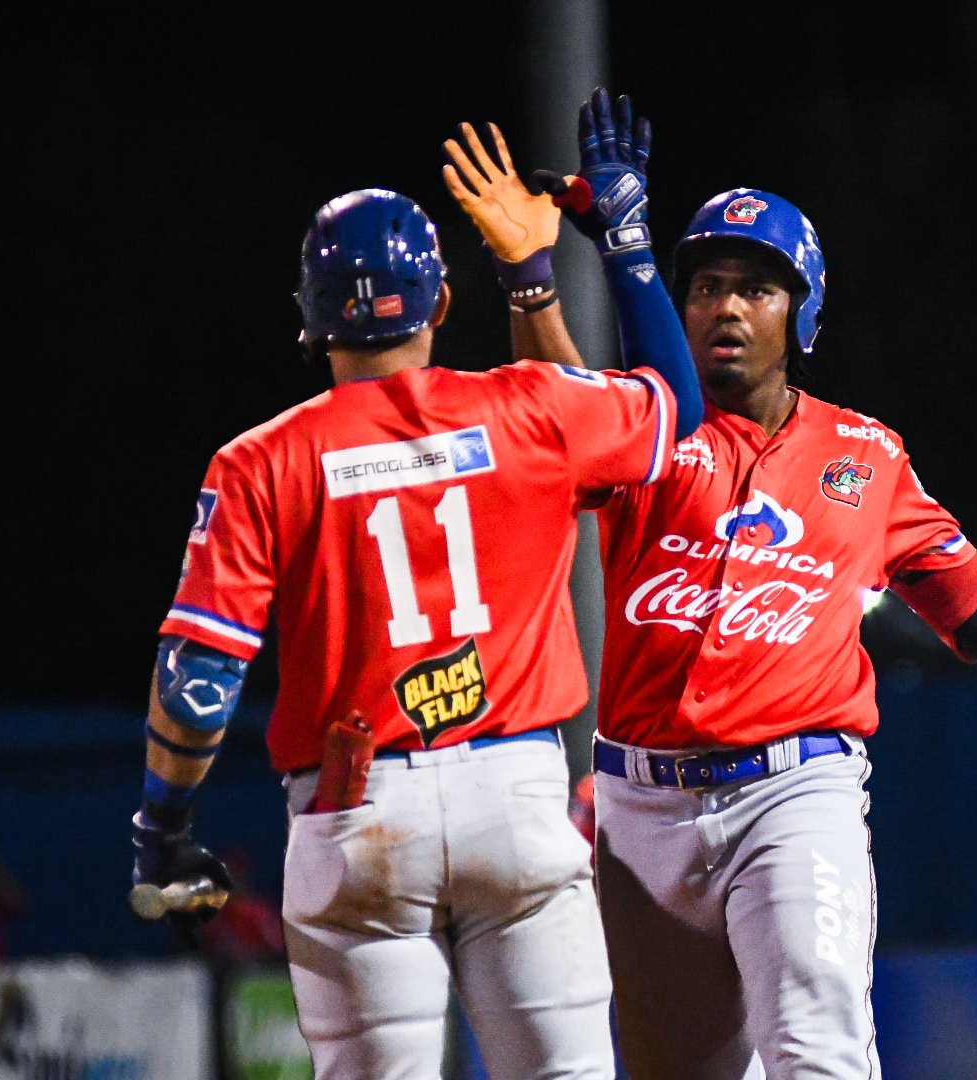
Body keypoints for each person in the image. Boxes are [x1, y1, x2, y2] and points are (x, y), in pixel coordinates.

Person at [472, 86, 977, 1080]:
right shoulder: (648, 430)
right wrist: (536, 280)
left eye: (757, 288)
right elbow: (554, 405)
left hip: (793, 791)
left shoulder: (866, 455)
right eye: (707, 285)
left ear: (803, 316)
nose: (726, 305)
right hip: (639, 808)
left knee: (817, 1048)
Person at [126, 114, 702, 1080]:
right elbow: (670, 403)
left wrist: (163, 832)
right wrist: (615, 243)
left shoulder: (262, 460)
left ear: (311, 323)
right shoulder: (528, 410)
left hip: (358, 812)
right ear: (438, 303)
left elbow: (198, 678)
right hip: (516, 796)